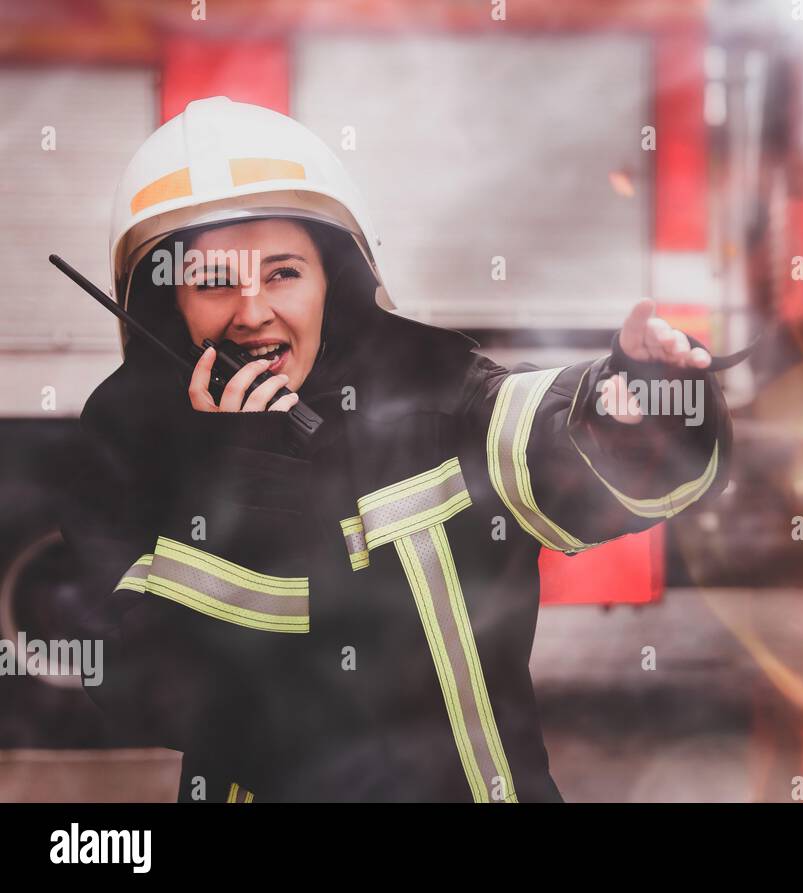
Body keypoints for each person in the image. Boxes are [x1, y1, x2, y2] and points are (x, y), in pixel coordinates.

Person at [60, 96, 732, 802]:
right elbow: (139, 689)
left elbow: (557, 439)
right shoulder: (131, 445)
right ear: (169, 305)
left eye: (284, 272)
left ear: (333, 280)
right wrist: (241, 492)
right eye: (215, 281)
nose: (253, 311)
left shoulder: (440, 397)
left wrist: (638, 404)